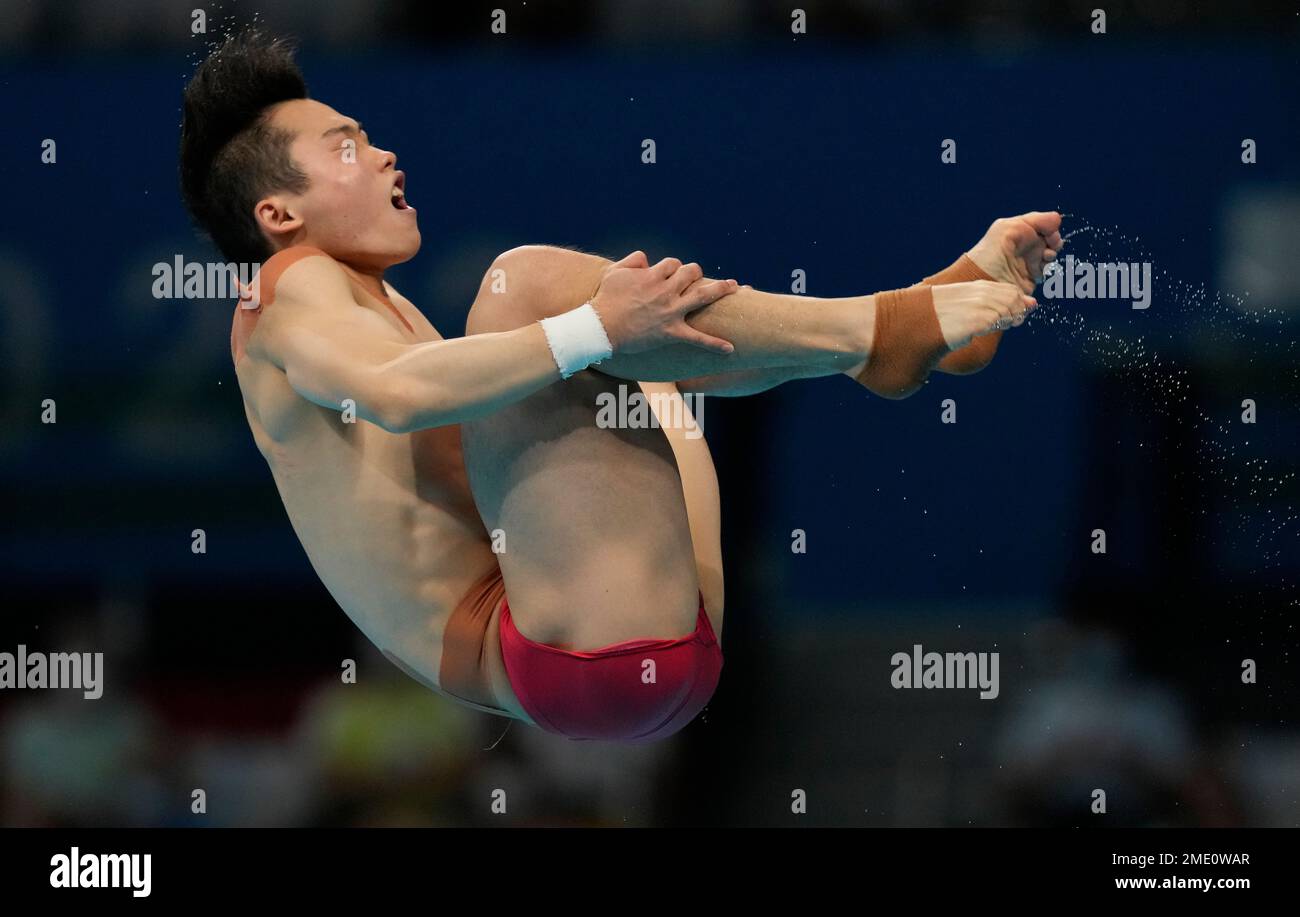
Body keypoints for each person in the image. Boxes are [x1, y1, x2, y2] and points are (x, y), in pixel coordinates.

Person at [180, 29, 1061, 742]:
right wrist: (596, 327)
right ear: (278, 215)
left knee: (630, 363)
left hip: (621, 648)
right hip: (572, 647)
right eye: (348, 147)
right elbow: (396, 393)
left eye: (369, 137)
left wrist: (607, 337)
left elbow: (604, 368)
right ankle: (888, 330)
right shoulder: (284, 290)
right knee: (523, 289)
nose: (384, 154)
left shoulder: (384, 304)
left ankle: (893, 334)